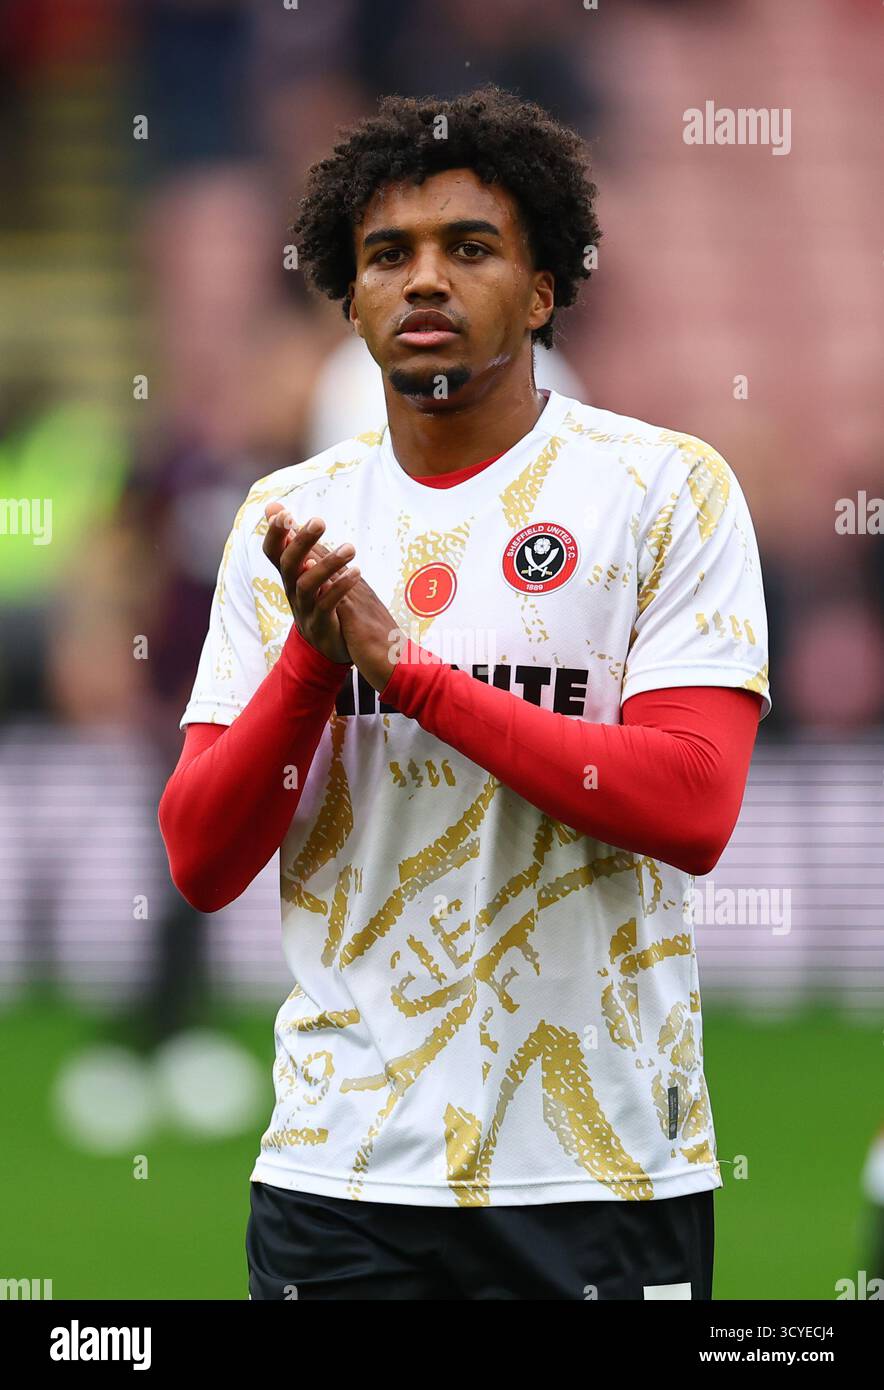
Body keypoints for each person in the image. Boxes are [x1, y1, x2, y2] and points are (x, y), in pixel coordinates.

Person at [158, 86, 771, 1300]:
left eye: (469, 249)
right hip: (342, 1177)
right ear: (351, 300)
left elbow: (693, 806)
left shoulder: (660, 491)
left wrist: (417, 679)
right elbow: (201, 858)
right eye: (388, 255)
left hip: (602, 1174)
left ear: (541, 293)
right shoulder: (289, 522)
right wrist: (313, 661)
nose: (423, 279)